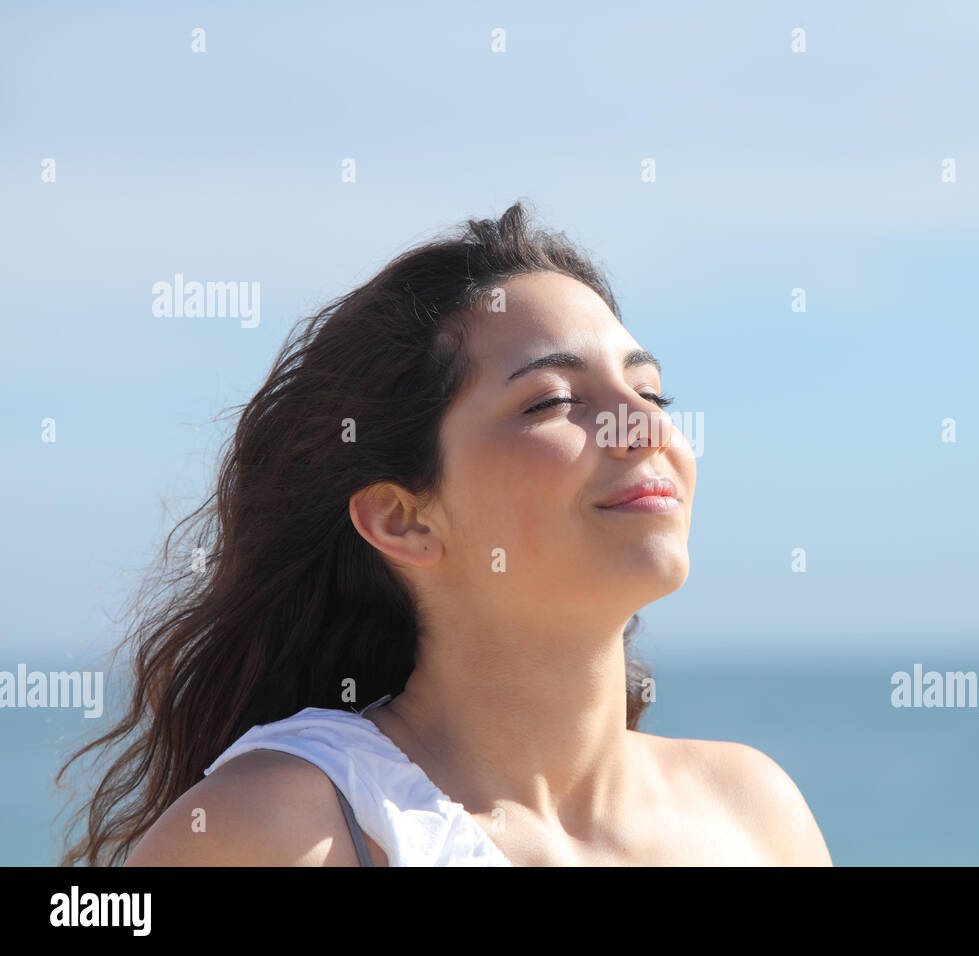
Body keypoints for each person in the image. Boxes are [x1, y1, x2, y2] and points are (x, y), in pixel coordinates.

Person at [58, 200, 832, 866]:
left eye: (650, 388)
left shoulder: (754, 814)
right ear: (402, 518)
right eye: (553, 400)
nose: (643, 425)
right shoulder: (280, 832)